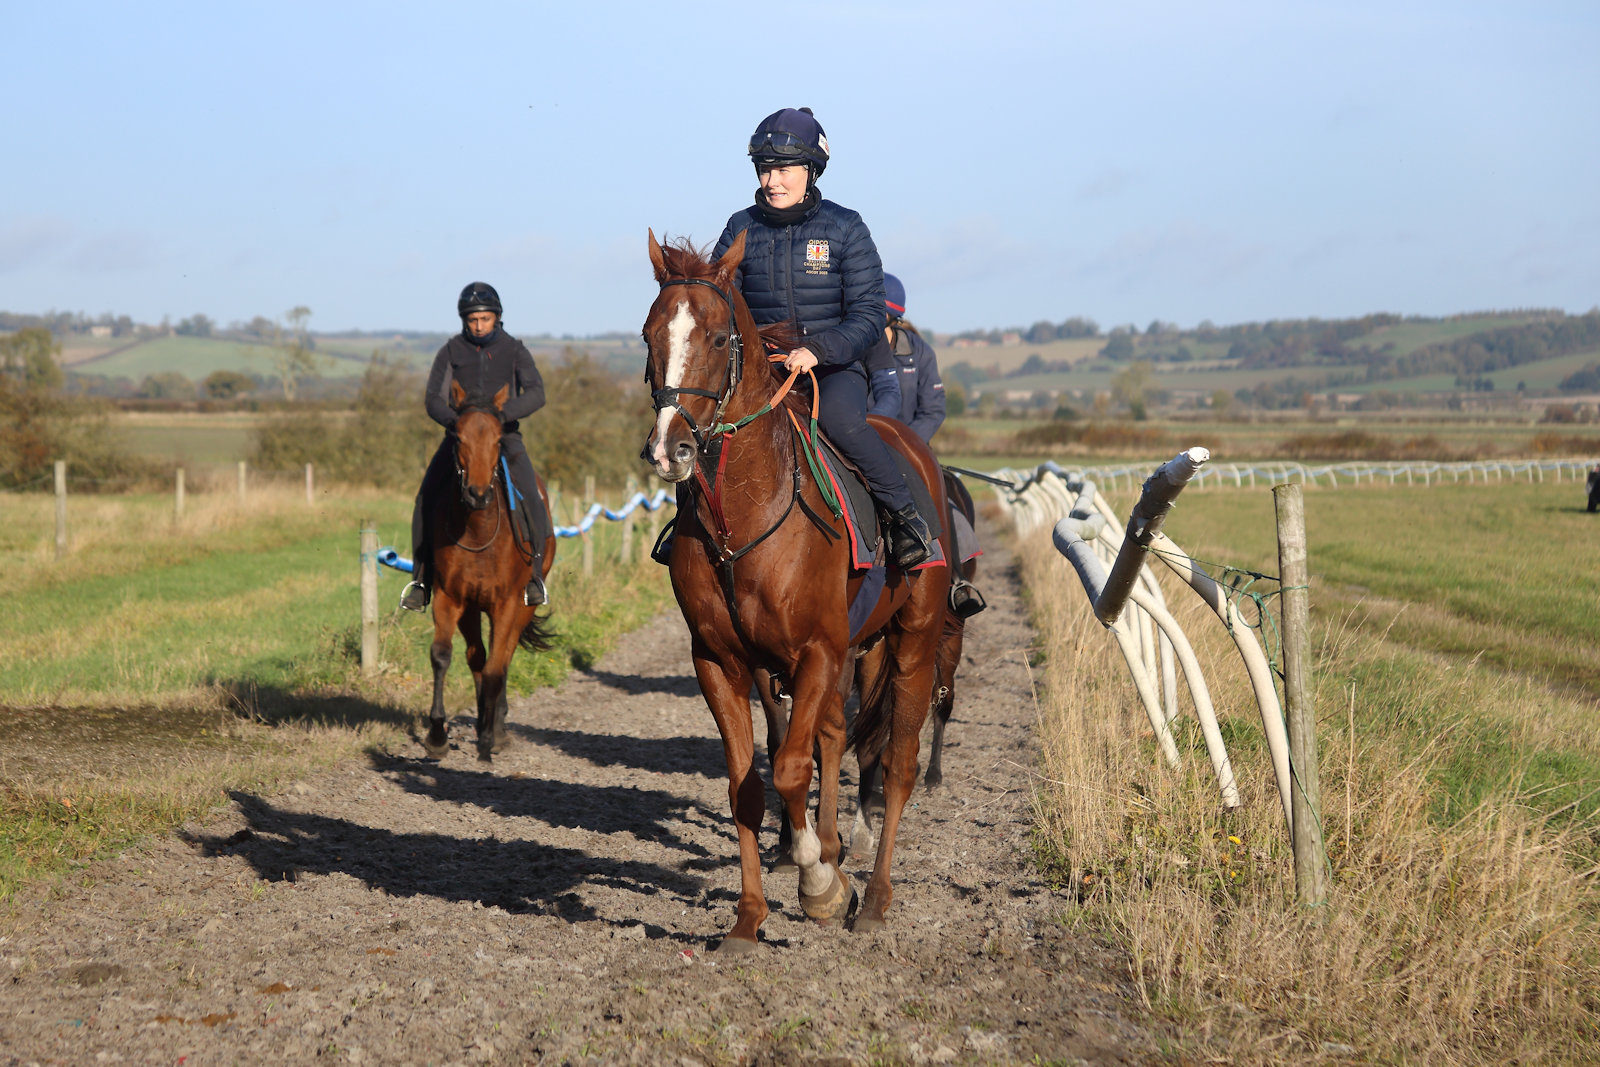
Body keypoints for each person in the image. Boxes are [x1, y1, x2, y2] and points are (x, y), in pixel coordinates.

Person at [711, 107, 933, 568]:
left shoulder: (846, 227)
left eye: (784, 169)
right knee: (707, 432)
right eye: (765, 168)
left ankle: (904, 518)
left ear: (811, 171)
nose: (772, 180)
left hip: (831, 371)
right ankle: (690, 534)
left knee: (842, 422)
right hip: (761, 373)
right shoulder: (739, 227)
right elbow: (718, 303)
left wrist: (818, 350)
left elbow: (870, 312)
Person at [399, 282, 550, 612]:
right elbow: (433, 399)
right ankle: (421, 581)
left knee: (533, 495)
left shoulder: (514, 349)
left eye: (485, 318)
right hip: (461, 440)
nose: (479, 325)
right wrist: (456, 424)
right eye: (473, 320)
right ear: (464, 321)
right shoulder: (452, 351)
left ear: (496, 317)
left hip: (504, 437)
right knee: (426, 496)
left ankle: (535, 576)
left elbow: (537, 393)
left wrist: (502, 416)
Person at [865, 273, 946, 443]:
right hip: (859, 441)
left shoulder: (920, 352)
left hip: (906, 445)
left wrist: (903, 443)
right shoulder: (849, 348)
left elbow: (933, 411)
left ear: (890, 316)